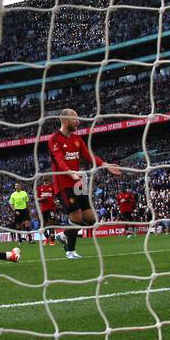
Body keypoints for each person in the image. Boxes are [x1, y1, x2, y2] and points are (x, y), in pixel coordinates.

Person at [47, 108, 122, 259]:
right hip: (64, 184)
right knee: (76, 217)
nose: (78, 121)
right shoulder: (54, 139)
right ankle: (70, 251)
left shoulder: (77, 139)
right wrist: (70, 172)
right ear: (65, 120)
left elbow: (88, 156)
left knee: (91, 220)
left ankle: (62, 236)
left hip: (78, 183)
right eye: (75, 119)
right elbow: (59, 160)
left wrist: (105, 165)